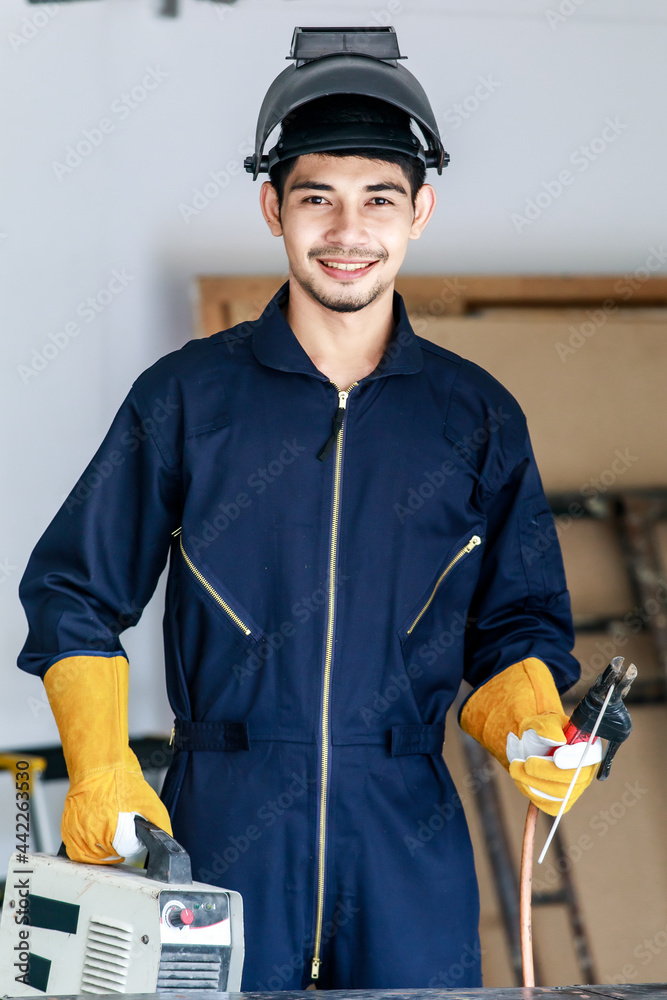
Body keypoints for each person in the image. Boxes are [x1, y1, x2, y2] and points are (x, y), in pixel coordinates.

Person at [18, 27, 600, 991]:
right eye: (316, 199)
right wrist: (100, 762)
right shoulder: (188, 400)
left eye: (378, 200)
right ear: (271, 210)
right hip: (224, 825)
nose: (346, 231)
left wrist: (534, 725)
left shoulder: (474, 416)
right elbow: (74, 589)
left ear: (420, 212)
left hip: (405, 829)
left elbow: (517, 619)